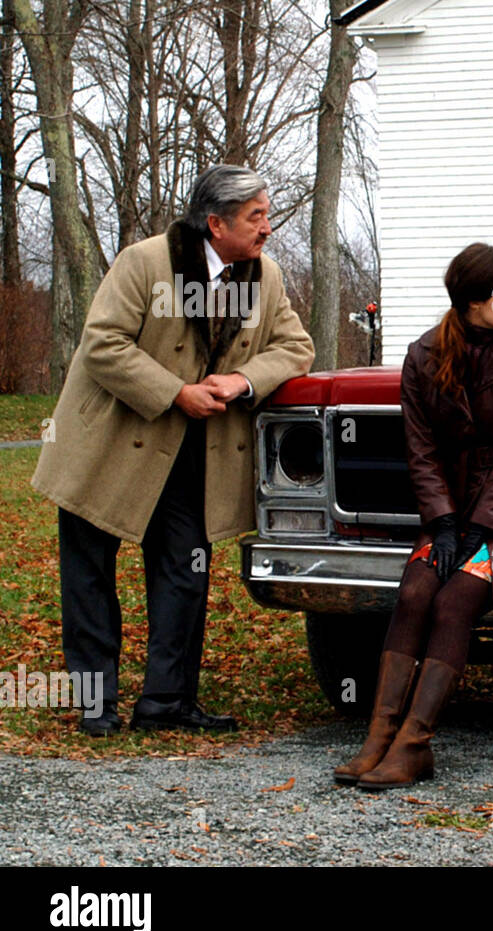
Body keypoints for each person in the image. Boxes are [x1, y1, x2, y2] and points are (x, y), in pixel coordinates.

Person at [32, 165, 315, 735]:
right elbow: (102, 345)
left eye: (266, 214)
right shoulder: (144, 262)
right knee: (89, 575)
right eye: (255, 217)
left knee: (185, 573)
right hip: (108, 444)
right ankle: (96, 703)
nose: (267, 228)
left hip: (194, 454)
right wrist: (175, 392)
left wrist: (243, 381)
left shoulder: (267, 276)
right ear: (216, 223)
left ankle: (167, 702)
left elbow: (295, 346)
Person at [333, 243, 493, 789]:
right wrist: (442, 523)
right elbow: (421, 450)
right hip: (449, 511)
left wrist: (480, 527)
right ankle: (378, 738)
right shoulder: (423, 354)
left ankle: (414, 745)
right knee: (415, 592)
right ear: (475, 303)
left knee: (457, 597)